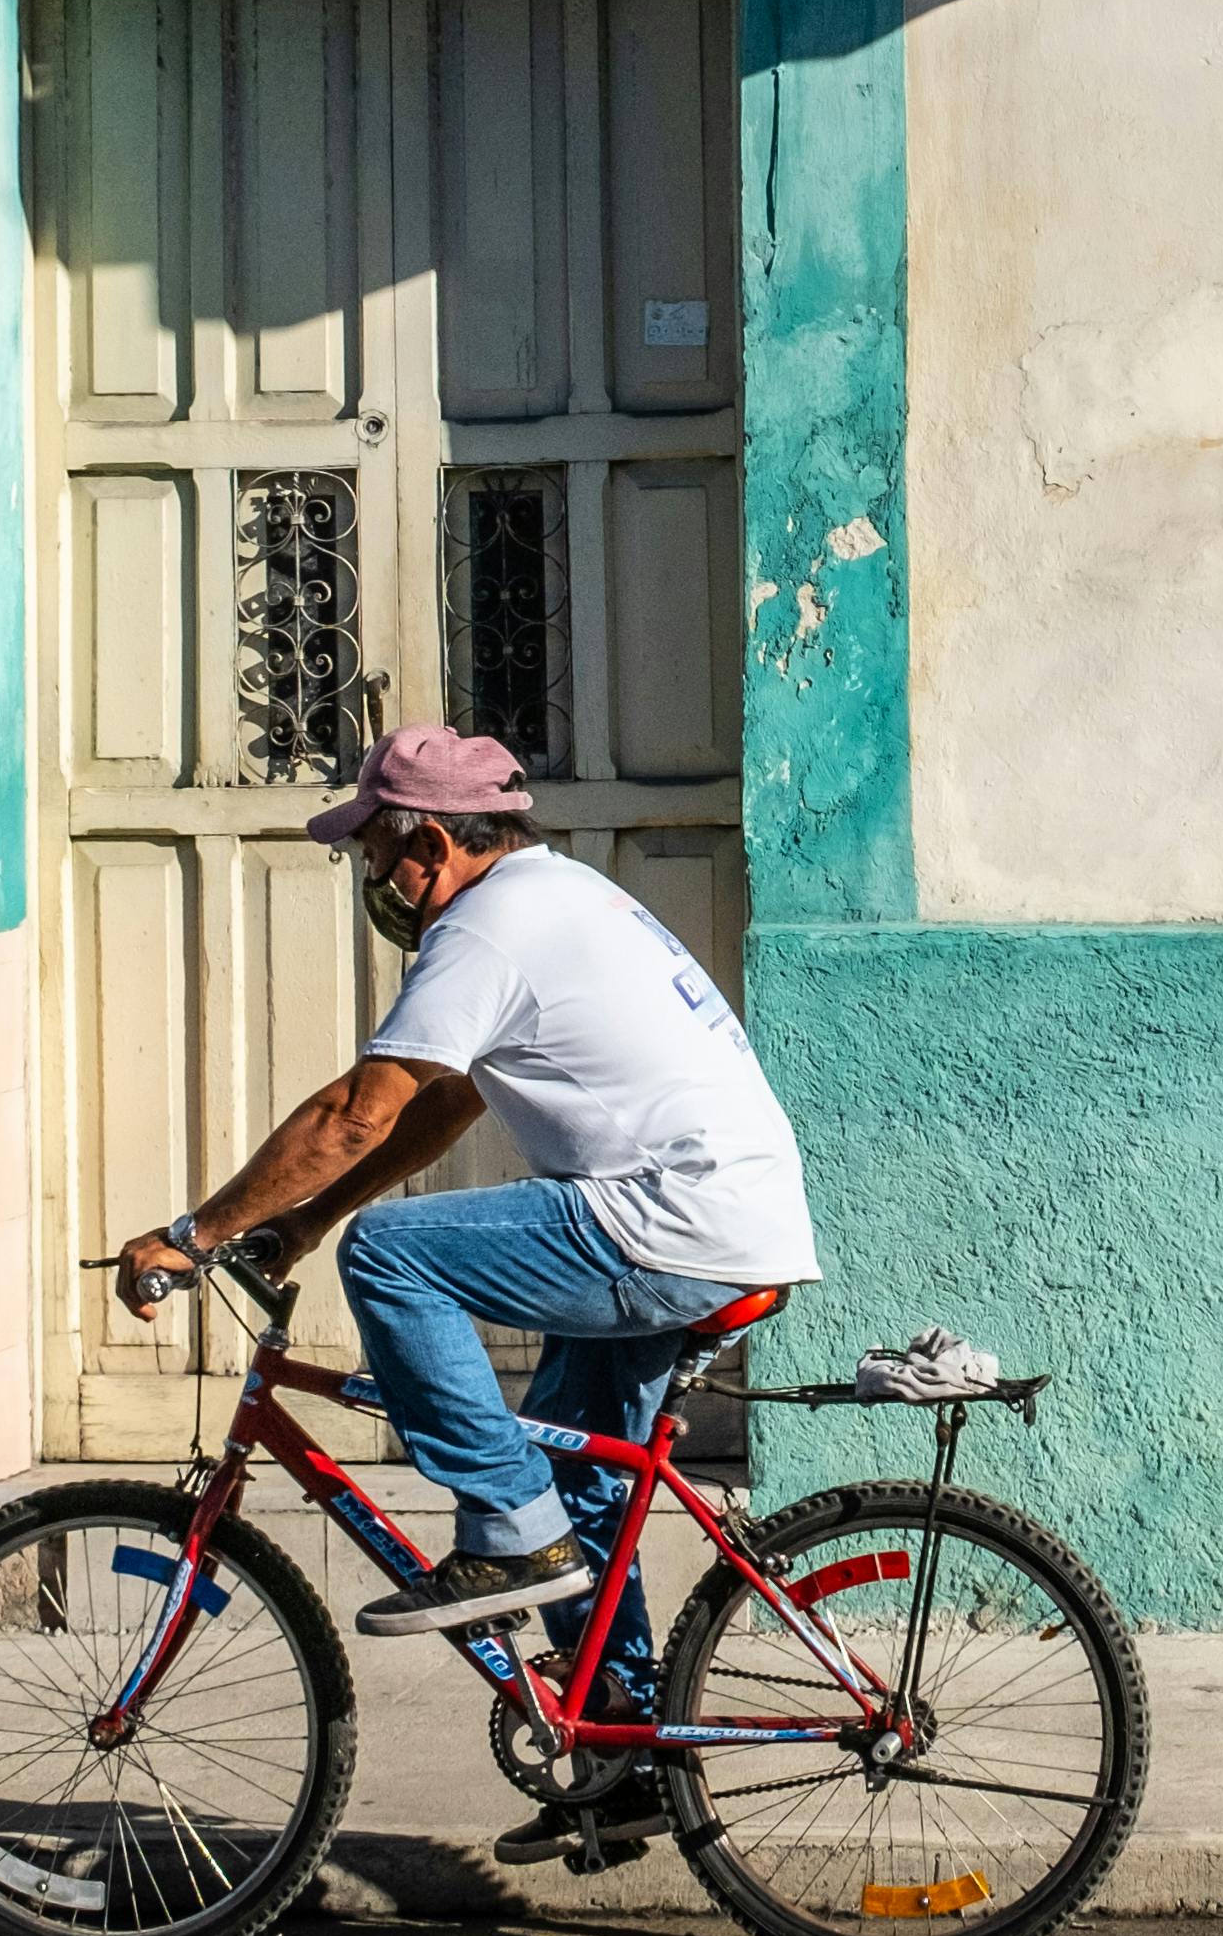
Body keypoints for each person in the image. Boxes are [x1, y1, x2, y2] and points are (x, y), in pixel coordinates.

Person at [118, 723, 816, 1855]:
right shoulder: (556, 897)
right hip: (718, 1220)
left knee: (392, 1258)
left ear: (431, 842)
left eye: (375, 851)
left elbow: (358, 1109)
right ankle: (624, 1754)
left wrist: (197, 1233)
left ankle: (507, 1533)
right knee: (577, 1482)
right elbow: (439, 1105)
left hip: (665, 1217)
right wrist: (294, 1222)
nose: (372, 878)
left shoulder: (488, 925)